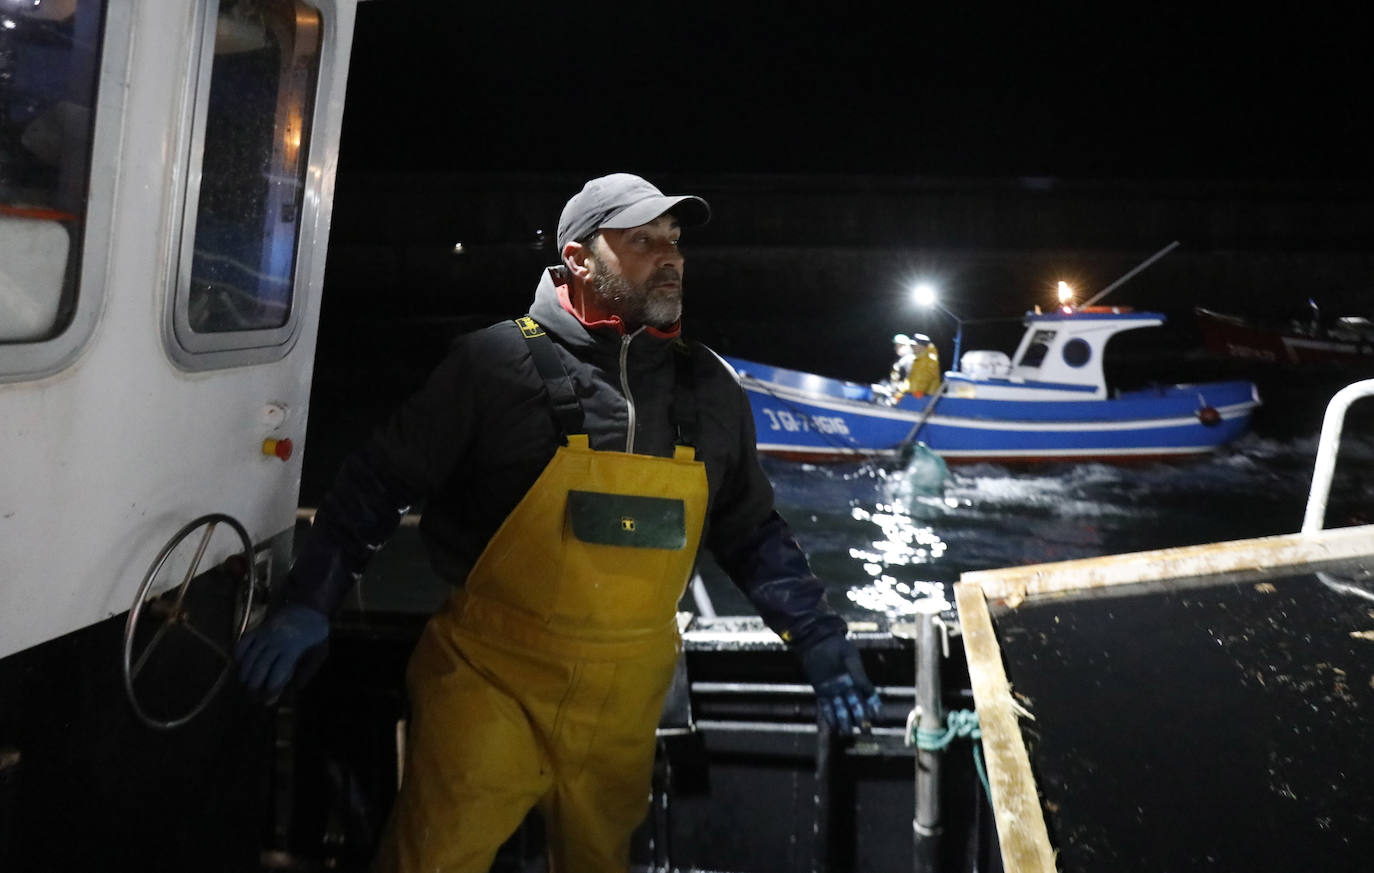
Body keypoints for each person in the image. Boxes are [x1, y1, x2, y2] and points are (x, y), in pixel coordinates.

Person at [235, 173, 882, 873]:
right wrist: (310, 599)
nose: (670, 256)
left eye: (673, 240)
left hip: (628, 697)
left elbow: (750, 531)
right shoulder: (493, 364)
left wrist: (816, 634)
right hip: (490, 680)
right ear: (579, 259)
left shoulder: (710, 386)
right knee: (433, 858)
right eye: (642, 241)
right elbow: (377, 484)